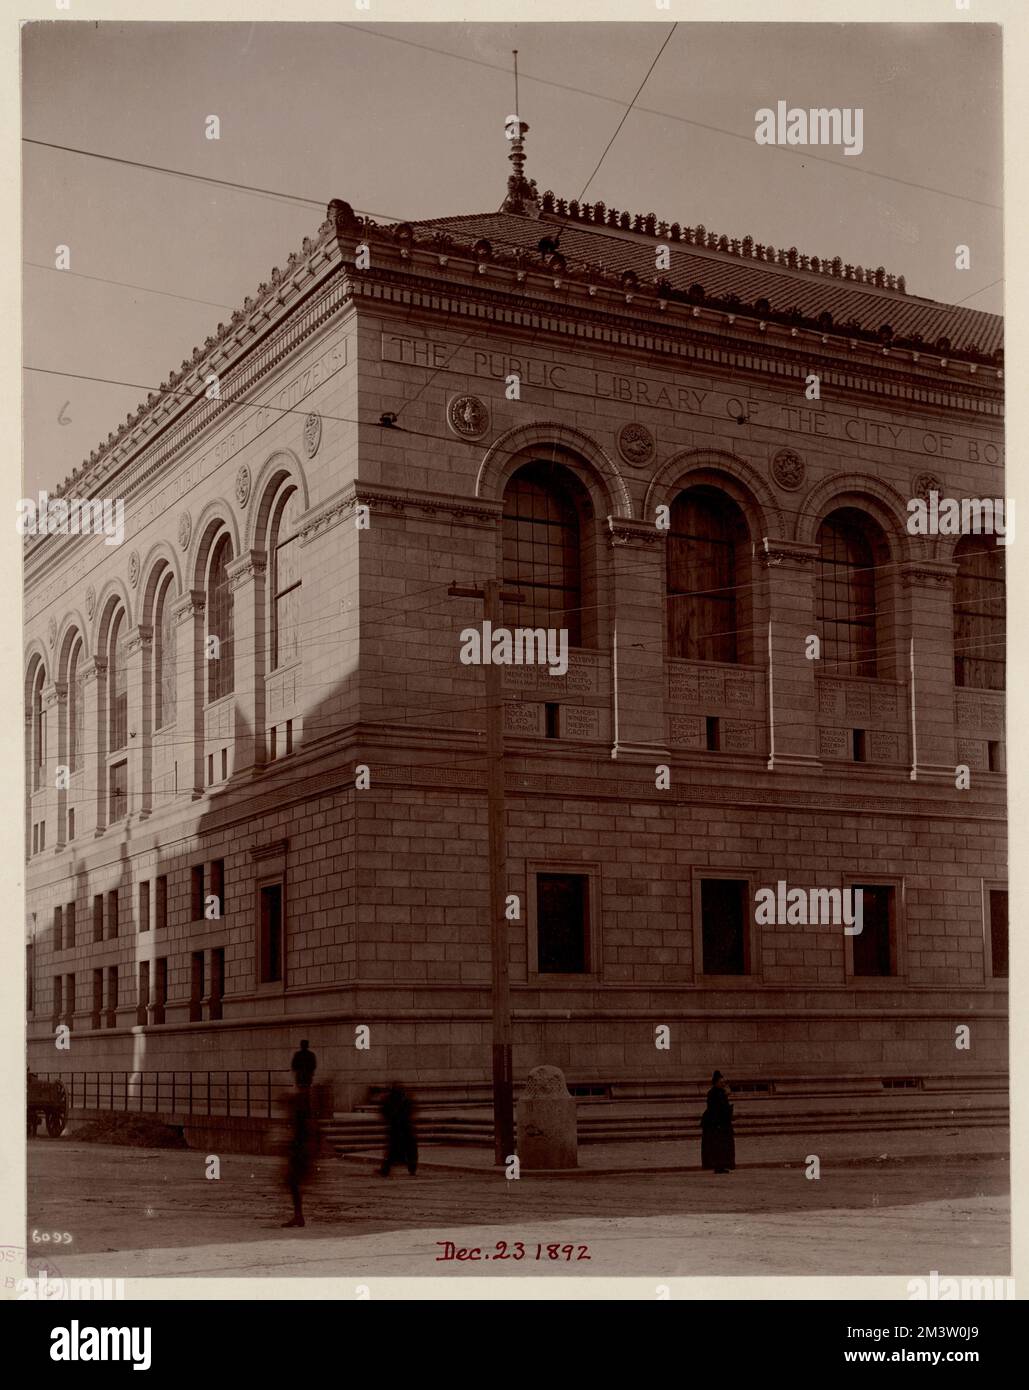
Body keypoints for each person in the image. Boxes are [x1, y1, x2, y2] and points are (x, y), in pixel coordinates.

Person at [283, 1088, 318, 1228]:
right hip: (301, 1153)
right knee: (294, 1184)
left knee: (294, 1183)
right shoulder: (301, 1117)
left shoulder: (299, 1118)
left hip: (300, 1154)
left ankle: (298, 1216)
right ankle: (298, 1215)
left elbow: (299, 1137)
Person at [379, 1081, 418, 1177]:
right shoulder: (405, 1099)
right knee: (407, 1150)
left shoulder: (394, 1100)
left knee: (394, 1151)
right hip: (403, 1128)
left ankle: (386, 1169)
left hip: (398, 1128)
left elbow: (385, 1112)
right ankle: (411, 1168)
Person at [700, 1070, 736, 1173]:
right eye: (721, 1082)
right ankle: (718, 1166)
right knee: (717, 1146)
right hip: (716, 1124)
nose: (723, 1084)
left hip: (721, 1123)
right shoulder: (713, 1093)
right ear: (716, 1082)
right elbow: (715, 1109)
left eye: (723, 1083)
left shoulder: (720, 1093)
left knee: (723, 1146)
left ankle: (722, 1166)